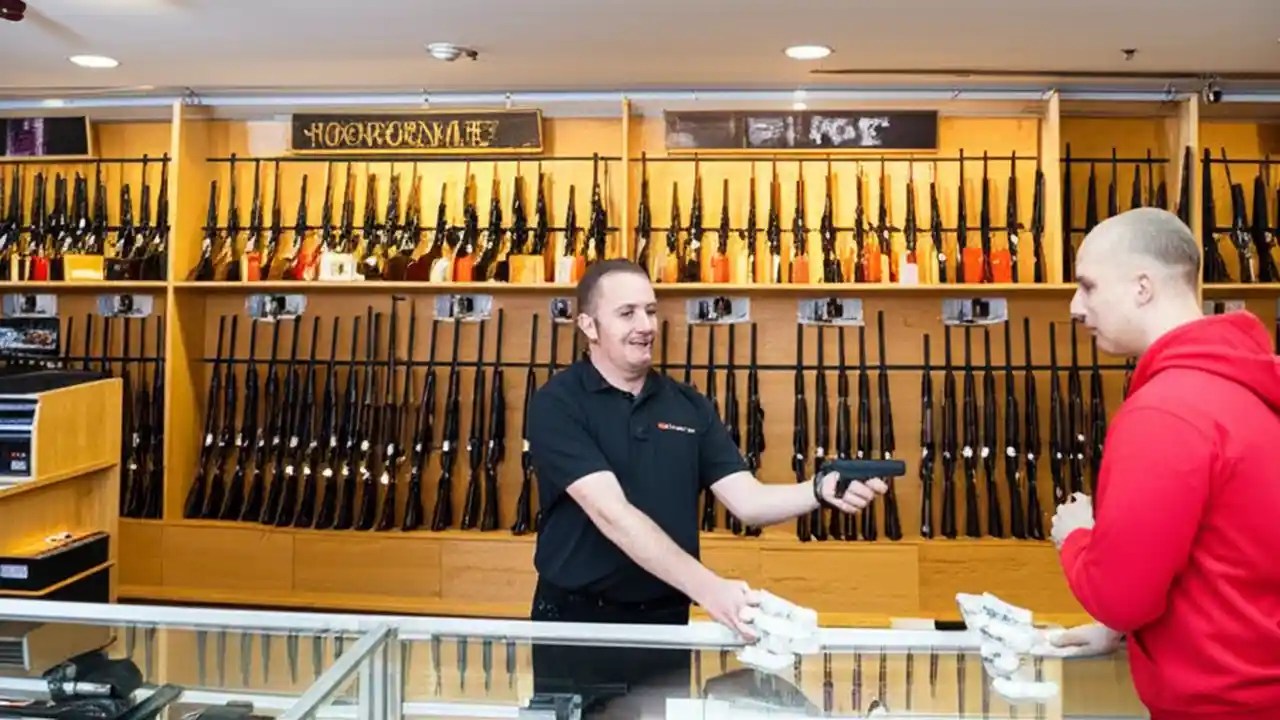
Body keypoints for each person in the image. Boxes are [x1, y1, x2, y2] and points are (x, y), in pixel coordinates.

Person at [525, 258, 889, 714]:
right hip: (575, 624)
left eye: (650, 311)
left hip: (664, 621)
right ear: (588, 326)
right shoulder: (557, 404)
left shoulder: (687, 405)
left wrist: (818, 490)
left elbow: (747, 500)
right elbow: (611, 514)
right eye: (627, 313)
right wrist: (711, 590)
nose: (645, 326)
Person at [1049, 207, 1280, 719]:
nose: (1075, 306)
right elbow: (1228, 564)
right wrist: (1124, 634)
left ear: (1142, 287)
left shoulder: (1166, 412)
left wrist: (1077, 535)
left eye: (1087, 286)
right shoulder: (1246, 387)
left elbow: (1121, 596)